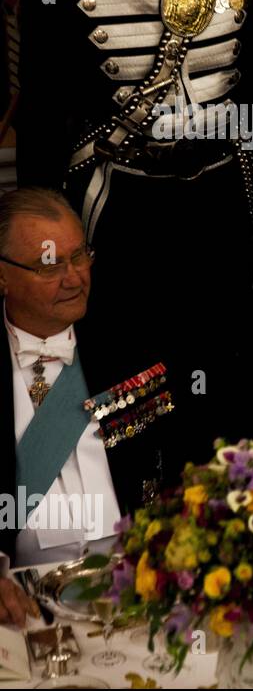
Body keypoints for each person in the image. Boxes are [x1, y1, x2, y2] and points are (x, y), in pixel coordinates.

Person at [14, 0, 253, 439]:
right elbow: (41, 126)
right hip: (123, 213)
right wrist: (45, 255)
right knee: (131, 393)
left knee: (228, 380)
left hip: (224, 202)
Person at [0, 189, 181, 569]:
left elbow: (185, 452)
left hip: (143, 577)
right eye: (49, 265)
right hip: (19, 595)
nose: (74, 278)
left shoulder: (132, 341)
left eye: (80, 255)